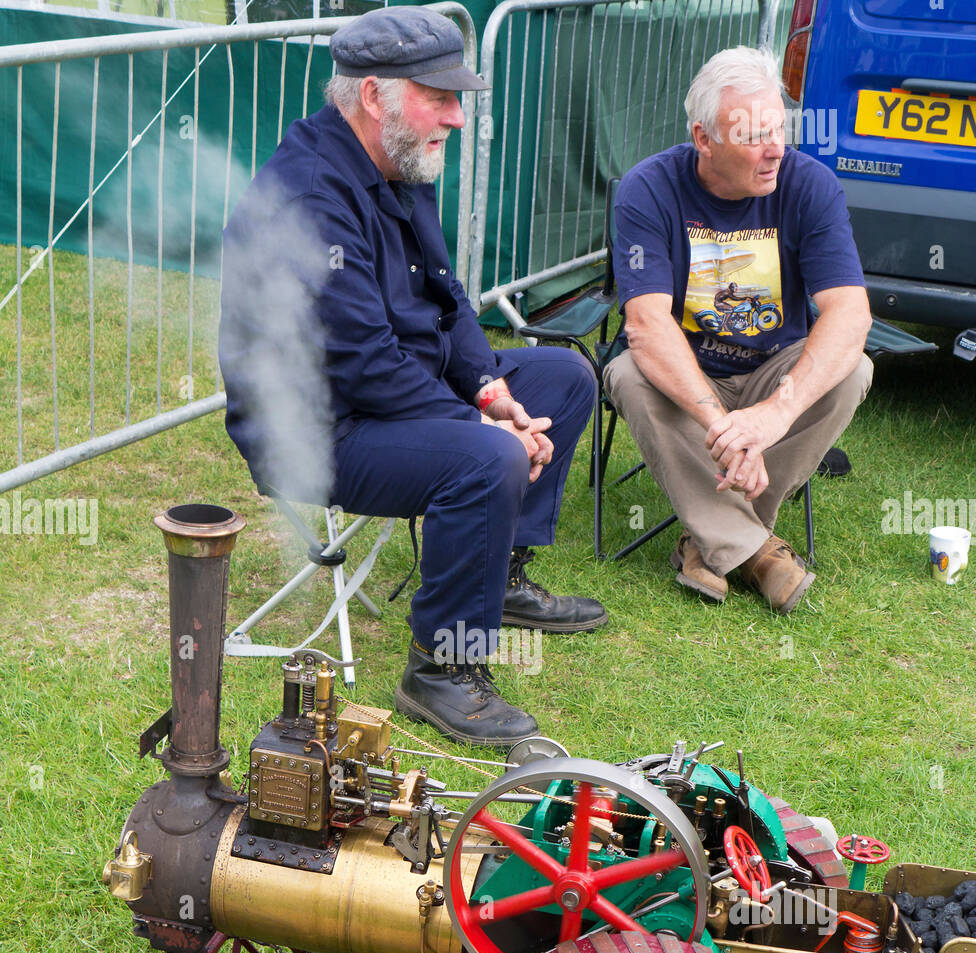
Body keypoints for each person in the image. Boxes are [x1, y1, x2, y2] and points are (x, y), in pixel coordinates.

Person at [218, 8, 602, 749]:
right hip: (319, 428)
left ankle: (502, 571)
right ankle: (440, 671)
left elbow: (446, 296)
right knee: (487, 456)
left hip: (387, 392)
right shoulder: (310, 195)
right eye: (441, 97)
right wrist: (485, 429)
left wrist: (493, 392)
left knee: (562, 376)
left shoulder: (395, 158)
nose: (457, 117)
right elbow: (362, 363)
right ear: (374, 95)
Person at [604, 46, 874, 613]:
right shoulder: (648, 188)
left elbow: (850, 315)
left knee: (855, 368)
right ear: (704, 140)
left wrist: (772, 416)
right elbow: (648, 325)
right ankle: (754, 550)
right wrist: (725, 428)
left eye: (778, 128)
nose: (775, 149)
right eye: (753, 136)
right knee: (629, 371)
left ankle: (713, 538)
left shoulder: (811, 186)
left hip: (771, 371)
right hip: (689, 376)